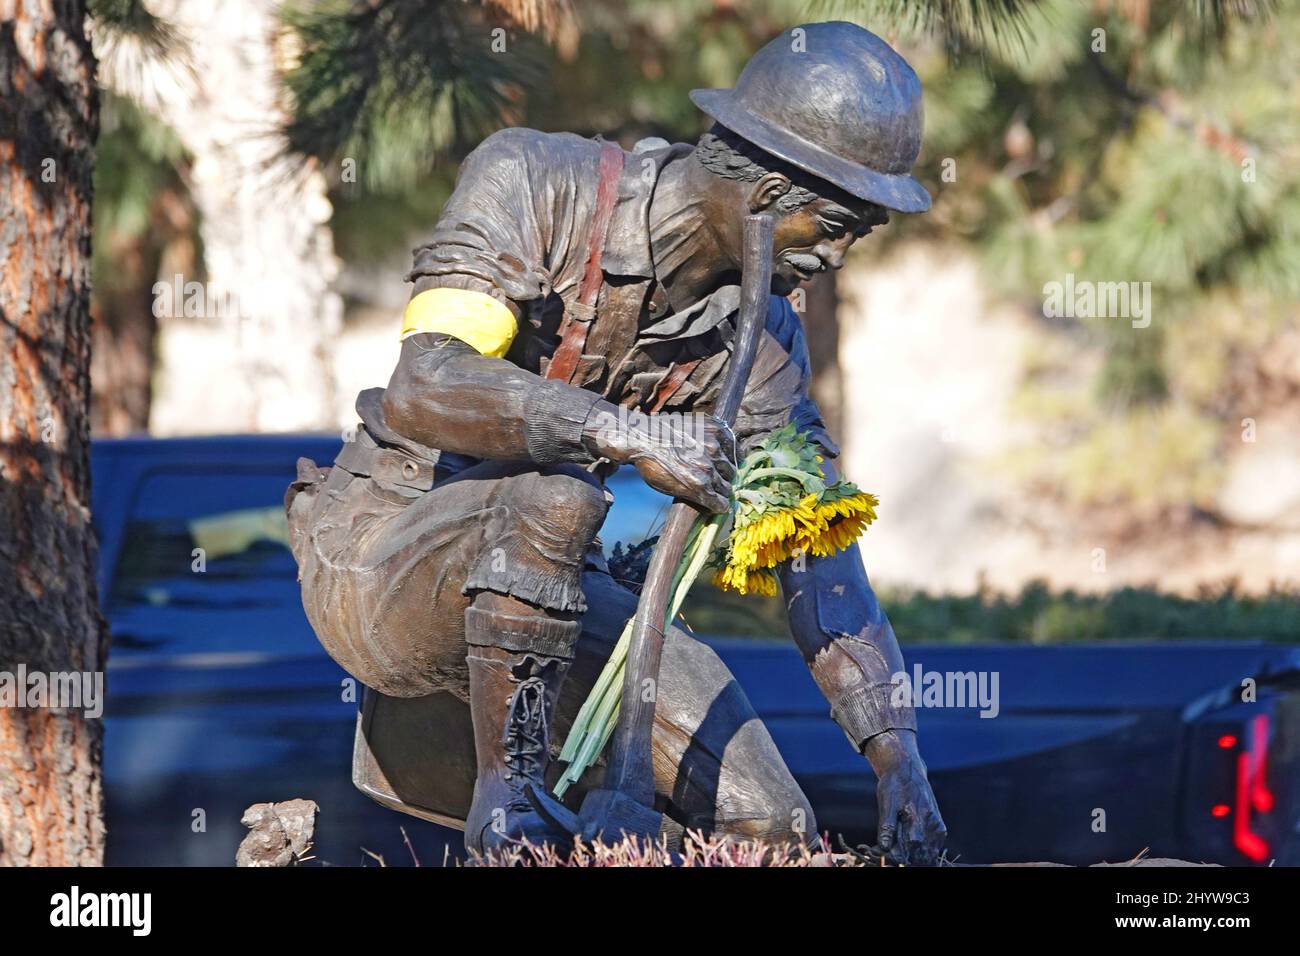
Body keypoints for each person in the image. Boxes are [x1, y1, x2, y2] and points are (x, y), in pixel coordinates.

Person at [287, 21, 947, 862]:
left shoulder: (766, 337)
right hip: (385, 548)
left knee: (768, 825)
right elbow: (427, 382)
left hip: (550, 593)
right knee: (558, 498)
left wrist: (896, 751)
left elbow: (817, 546)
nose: (838, 257)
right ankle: (511, 812)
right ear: (766, 194)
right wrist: (623, 434)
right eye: (834, 223)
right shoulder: (534, 182)